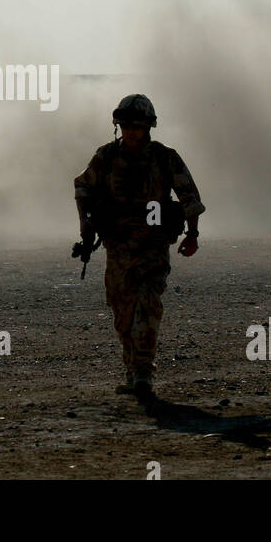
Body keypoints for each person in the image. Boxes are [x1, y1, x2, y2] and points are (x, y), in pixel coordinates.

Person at [73, 95, 204, 403]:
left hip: (152, 246)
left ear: (148, 127)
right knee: (123, 313)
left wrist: (193, 234)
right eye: (126, 126)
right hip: (118, 247)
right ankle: (132, 372)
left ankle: (143, 372)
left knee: (148, 306)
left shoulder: (164, 158)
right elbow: (83, 188)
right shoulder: (105, 157)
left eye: (138, 126)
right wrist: (85, 223)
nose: (132, 132)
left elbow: (189, 196)